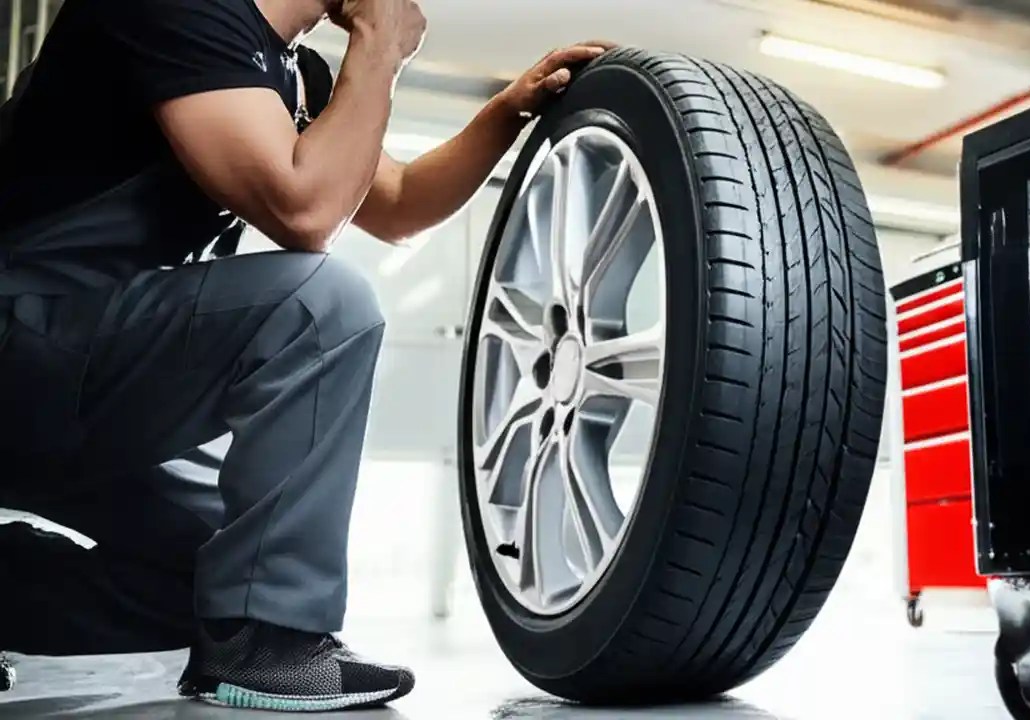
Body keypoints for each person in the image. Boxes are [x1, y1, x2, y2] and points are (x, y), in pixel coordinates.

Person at [0, 0, 609, 710]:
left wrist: (505, 111)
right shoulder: (177, 9)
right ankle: (270, 647)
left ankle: (229, 623)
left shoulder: (292, 75)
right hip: (24, 333)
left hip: (83, 365)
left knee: (223, 569)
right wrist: (381, 46)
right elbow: (305, 213)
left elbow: (398, 203)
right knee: (319, 305)